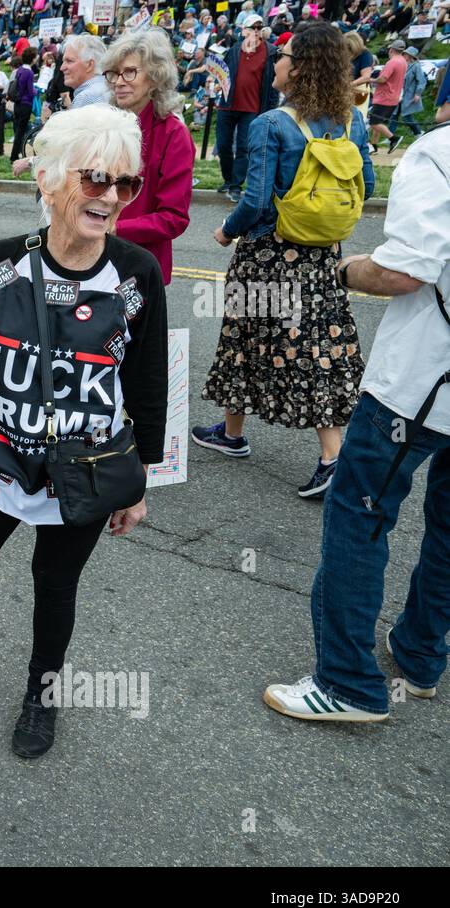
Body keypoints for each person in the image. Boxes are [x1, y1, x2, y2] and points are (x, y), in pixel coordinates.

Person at [0, 103, 167, 759]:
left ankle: (42, 694)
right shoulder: (1, 266)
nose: (110, 197)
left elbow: (147, 387)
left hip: (83, 476)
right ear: (52, 180)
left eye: (125, 184)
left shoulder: (138, 275)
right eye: (95, 179)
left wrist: (139, 486)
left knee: (54, 590)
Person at [264, 120, 450, 722]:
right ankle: (419, 659)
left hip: (419, 384)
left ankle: (346, 682)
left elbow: (406, 270)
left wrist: (349, 270)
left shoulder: (440, 152)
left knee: (359, 516)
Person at [197, 23, 375, 497]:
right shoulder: (351, 120)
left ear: (297, 68)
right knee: (315, 346)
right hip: (321, 255)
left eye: (283, 54)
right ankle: (245, 436)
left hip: (269, 252)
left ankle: (320, 457)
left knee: (244, 335)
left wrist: (225, 230)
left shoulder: (271, 124)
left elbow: (255, 200)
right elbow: (369, 185)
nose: (275, 60)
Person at [103, 29, 196, 285]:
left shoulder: (173, 134)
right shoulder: (105, 123)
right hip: (94, 258)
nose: (119, 81)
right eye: (114, 73)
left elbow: (173, 218)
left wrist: (113, 228)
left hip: (140, 265)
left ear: (155, 78)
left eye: (130, 72)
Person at [216, 14, 277, 203]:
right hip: (227, 105)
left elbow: (273, 82)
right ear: (244, 30)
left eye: (260, 28)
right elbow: (222, 73)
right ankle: (228, 179)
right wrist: (215, 82)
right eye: (253, 27)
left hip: (252, 108)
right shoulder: (234, 50)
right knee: (223, 145)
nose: (256, 31)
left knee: (243, 148)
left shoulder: (271, 52)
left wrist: (270, 108)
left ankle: (236, 185)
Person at [366, 38, 409, 152]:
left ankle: (394, 138)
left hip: (384, 97)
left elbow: (383, 79)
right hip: (394, 97)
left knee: (374, 123)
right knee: (379, 123)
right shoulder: (403, 61)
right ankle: (374, 146)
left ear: (391, 50)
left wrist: (370, 79)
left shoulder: (392, 62)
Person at [61, 34, 109, 108]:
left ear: (89, 65)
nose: (62, 68)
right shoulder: (106, 87)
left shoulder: (86, 97)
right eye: (63, 61)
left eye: (69, 61)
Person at [7, 47, 37, 160]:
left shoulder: (19, 70)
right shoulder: (29, 72)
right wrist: (36, 91)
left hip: (17, 104)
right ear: (32, 59)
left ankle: (15, 154)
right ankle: (14, 156)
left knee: (19, 130)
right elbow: (30, 90)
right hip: (25, 104)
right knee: (21, 131)